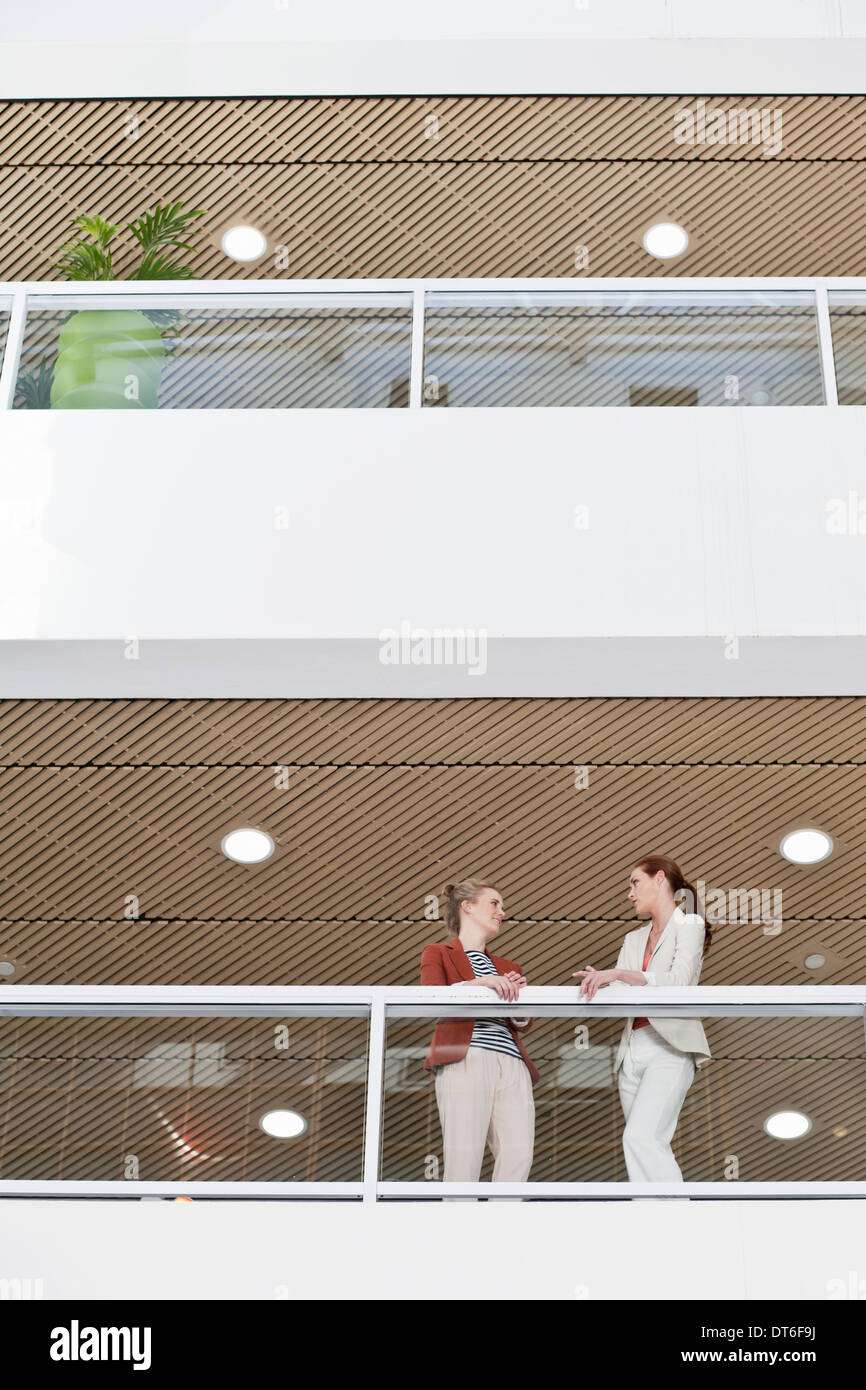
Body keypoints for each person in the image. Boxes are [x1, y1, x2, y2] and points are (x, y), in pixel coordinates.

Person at [573, 854, 712, 1183]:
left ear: (660, 879)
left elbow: (678, 982)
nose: (630, 893)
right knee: (647, 1145)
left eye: (635, 882)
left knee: (640, 1138)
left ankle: (672, 1218)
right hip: (631, 1051)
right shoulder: (633, 939)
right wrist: (610, 979)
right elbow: (621, 992)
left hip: (670, 1046)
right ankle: (655, 1218)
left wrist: (622, 973)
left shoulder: (688, 924)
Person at [420, 880, 538, 1185]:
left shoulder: (507, 965)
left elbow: (522, 1023)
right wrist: (480, 984)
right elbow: (433, 998)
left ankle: (500, 1224)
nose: (502, 911)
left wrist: (521, 1002)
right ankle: (459, 1228)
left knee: (519, 1153)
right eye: (494, 904)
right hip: (465, 1056)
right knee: (464, 1154)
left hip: (512, 1062)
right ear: (468, 907)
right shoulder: (438, 952)